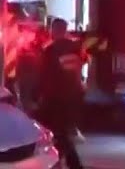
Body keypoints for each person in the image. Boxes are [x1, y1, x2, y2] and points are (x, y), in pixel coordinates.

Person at [35, 18, 84, 169]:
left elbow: (45, 76)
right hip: (74, 97)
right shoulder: (76, 48)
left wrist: (37, 95)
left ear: (54, 31)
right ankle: (64, 163)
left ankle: (63, 163)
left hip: (56, 99)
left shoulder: (51, 50)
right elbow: (79, 69)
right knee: (61, 133)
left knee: (55, 133)